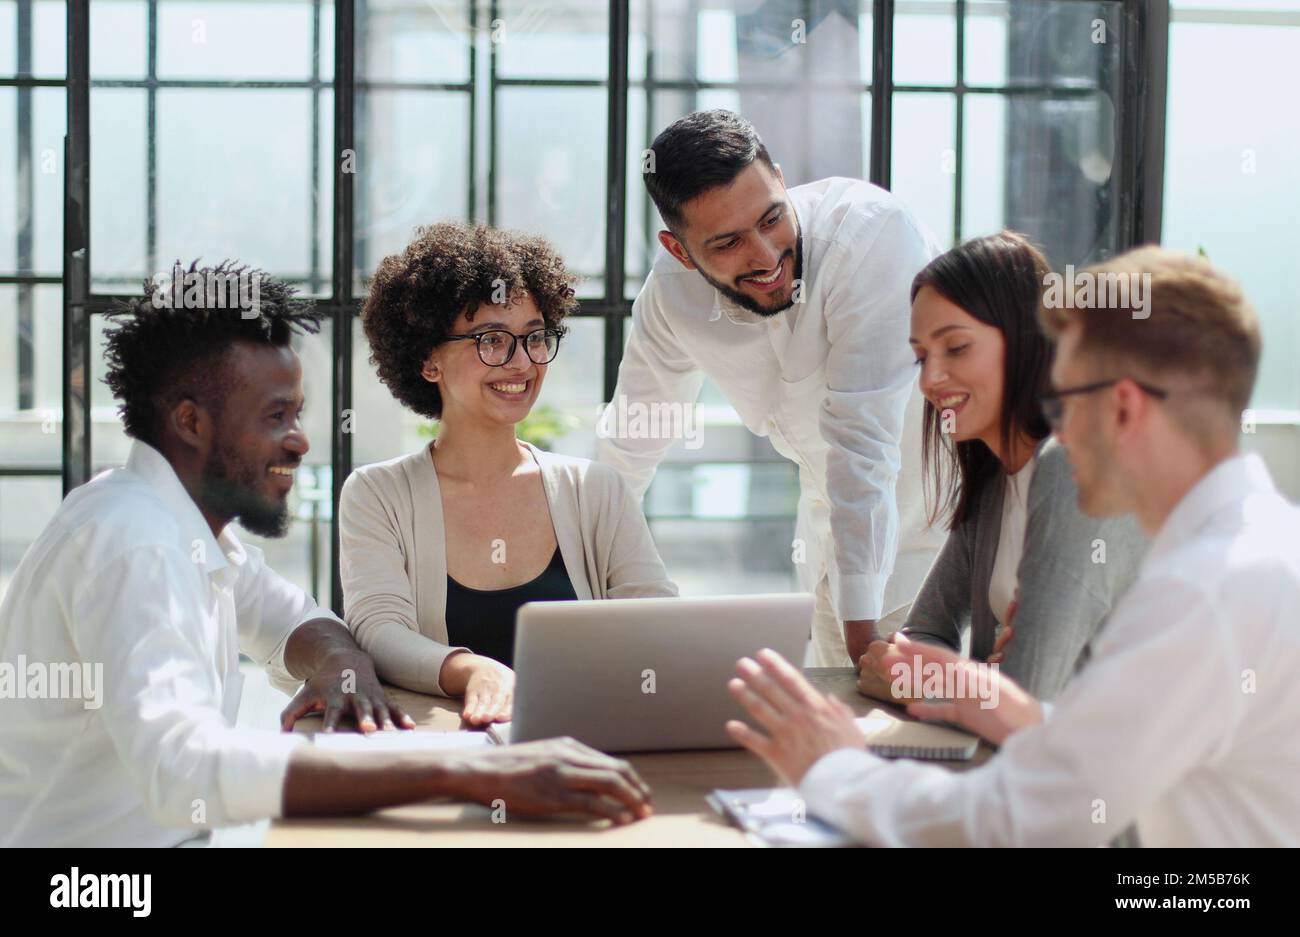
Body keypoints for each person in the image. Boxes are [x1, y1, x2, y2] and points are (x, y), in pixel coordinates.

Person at [0, 262, 651, 847]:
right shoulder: (133, 543)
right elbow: (182, 767)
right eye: (275, 416)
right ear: (191, 422)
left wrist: (340, 660)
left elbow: (290, 617)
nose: (301, 442)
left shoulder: (182, 525)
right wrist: (467, 767)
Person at [725, 247, 1300, 846]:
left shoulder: (1201, 590)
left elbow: (1020, 820)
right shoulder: (1250, 553)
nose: (1056, 425)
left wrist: (832, 767)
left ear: (1124, 407)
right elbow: (1101, 759)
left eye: (1066, 398)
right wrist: (991, 698)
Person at [598, 109, 946, 669]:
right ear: (679, 251)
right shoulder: (671, 299)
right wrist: (582, 598)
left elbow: (863, 443)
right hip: (829, 524)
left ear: (781, 180)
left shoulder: (871, 234)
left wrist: (863, 634)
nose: (764, 256)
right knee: (840, 727)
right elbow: (629, 447)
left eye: (771, 219)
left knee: (929, 734)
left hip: (938, 519)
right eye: (728, 242)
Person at [343, 224, 677, 726]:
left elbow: (657, 623)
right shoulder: (377, 494)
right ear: (428, 359)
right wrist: (472, 671)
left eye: (534, 338)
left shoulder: (595, 490)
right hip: (451, 754)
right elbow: (378, 630)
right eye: (492, 340)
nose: (521, 363)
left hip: (588, 740)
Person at [857, 231, 1146, 704]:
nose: (930, 380)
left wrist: (929, 679)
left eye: (956, 348)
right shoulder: (996, 481)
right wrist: (975, 677)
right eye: (922, 356)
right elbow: (923, 633)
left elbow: (1028, 696)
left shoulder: (1073, 463)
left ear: (1025, 342)